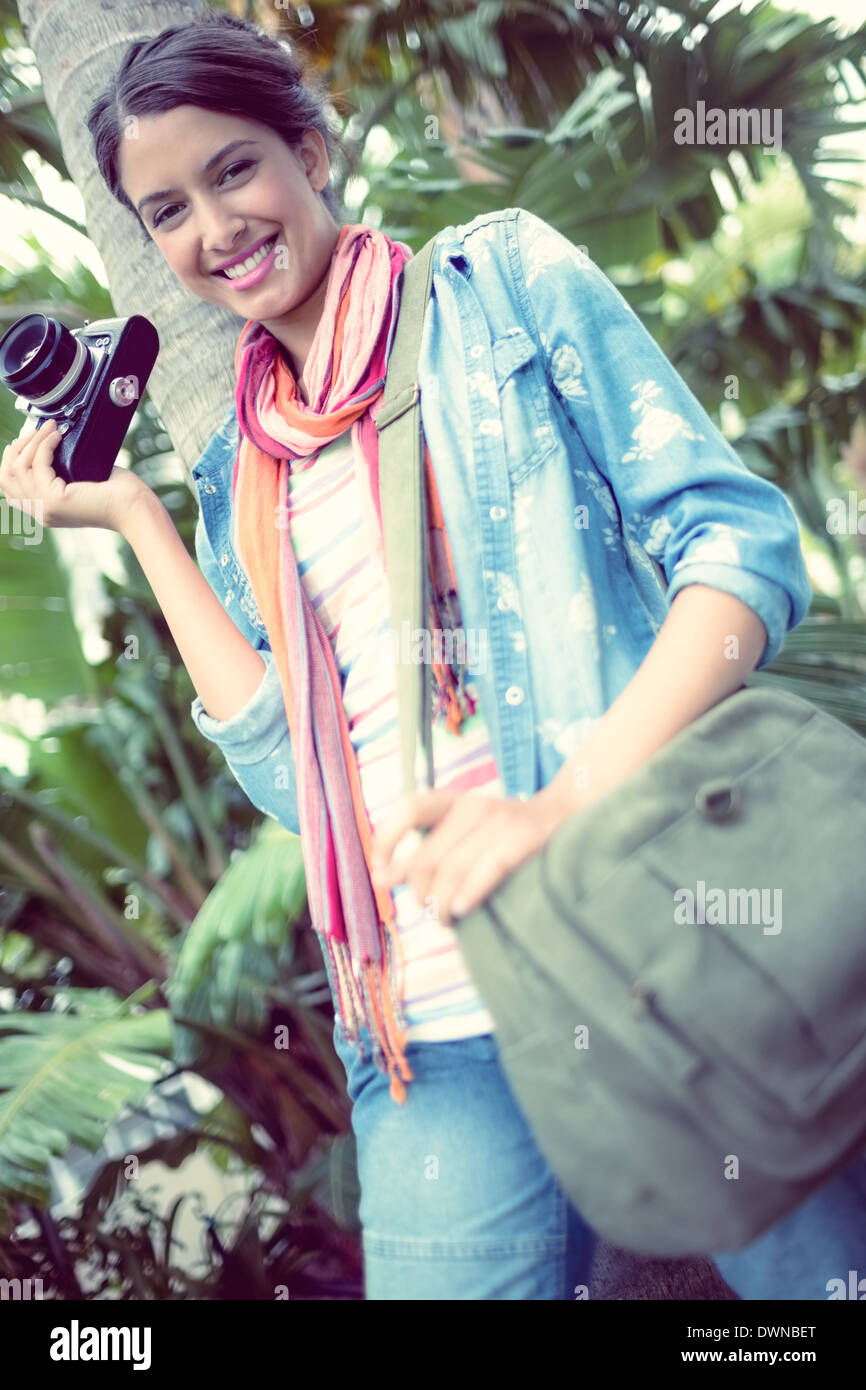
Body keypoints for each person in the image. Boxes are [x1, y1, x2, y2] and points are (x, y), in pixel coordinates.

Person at [2, 10, 863, 1300]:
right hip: (424, 1014)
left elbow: (740, 557)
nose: (215, 228)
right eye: (167, 209)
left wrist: (562, 804)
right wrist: (134, 514)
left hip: (650, 948)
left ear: (310, 144)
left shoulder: (496, 286)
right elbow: (302, 777)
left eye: (234, 168)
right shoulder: (247, 469)